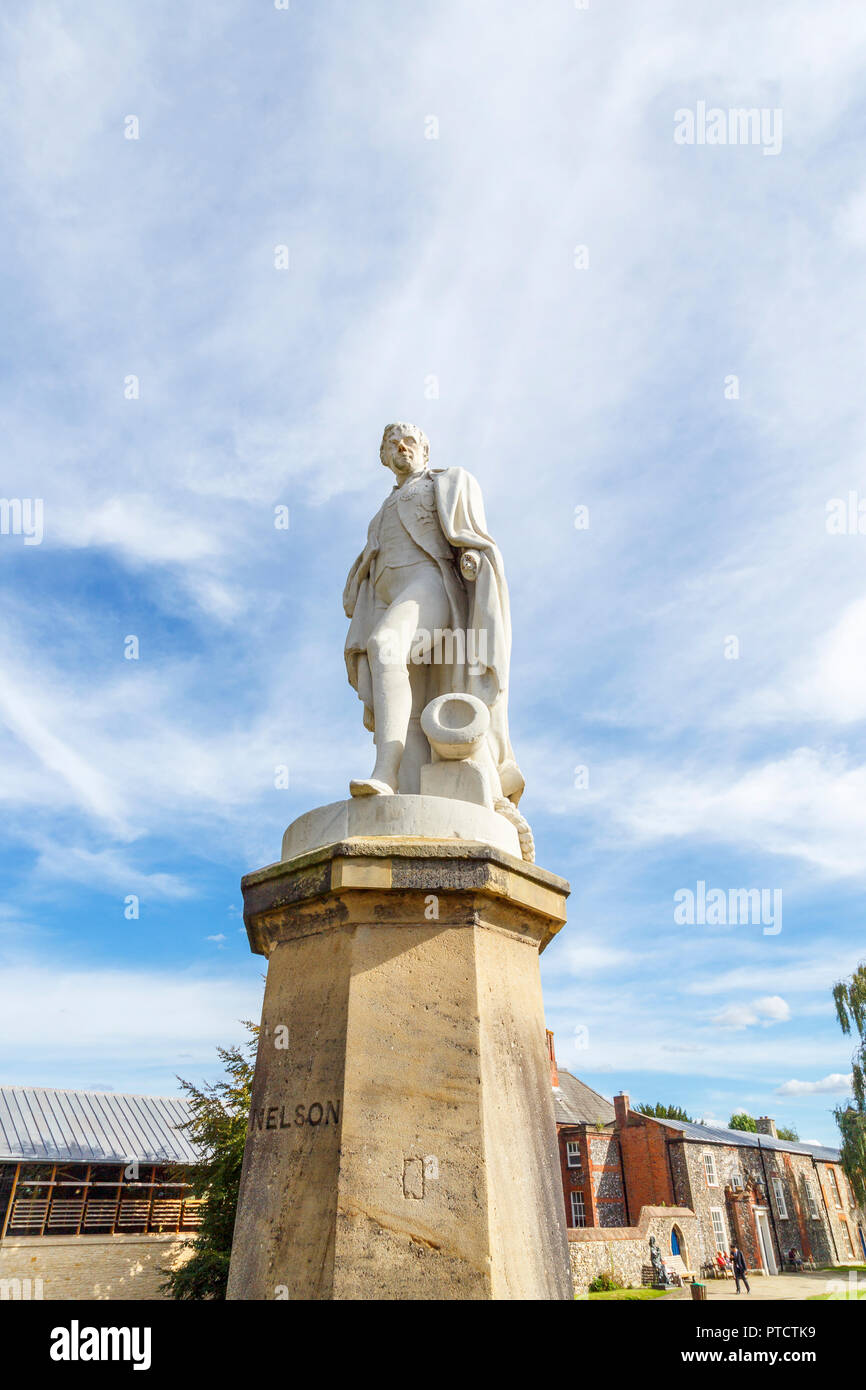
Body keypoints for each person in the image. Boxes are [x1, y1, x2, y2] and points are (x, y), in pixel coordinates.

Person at [343, 423, 523, 801]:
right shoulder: (380, 513)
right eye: (392, 444)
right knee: (394, 674)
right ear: (384, 457)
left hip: (430, 582)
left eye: (409, 442)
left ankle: (385, 774)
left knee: (385, 646)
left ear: (425, 450)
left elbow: (469, 533)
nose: (401, 448)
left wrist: (472, 555)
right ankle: (404, 782)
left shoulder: (447, 482)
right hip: (385, 597)